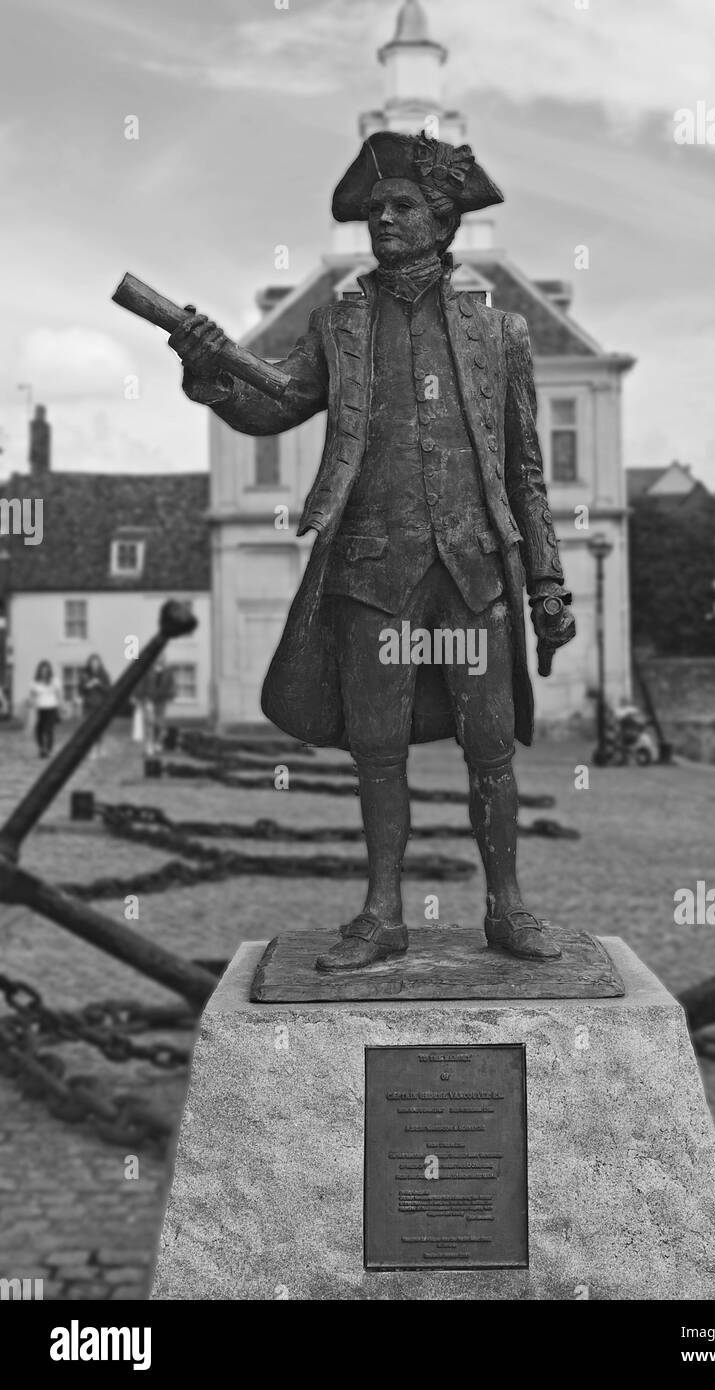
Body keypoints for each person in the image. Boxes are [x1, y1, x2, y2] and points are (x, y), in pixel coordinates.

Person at [168, 129, 576, 972]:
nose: (381, 221)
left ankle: (507, 908)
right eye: (374, 210)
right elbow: (273, 405)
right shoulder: (338, 324)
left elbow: (525, 471)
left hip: (473, 574)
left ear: (443, 218)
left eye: (401, 207)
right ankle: (381, 913)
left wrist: (547, 582)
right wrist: (206, 371)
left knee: (491, 747)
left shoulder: (501, 334)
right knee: (377, 751)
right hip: (370, 570)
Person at [137, 658, 176, 755]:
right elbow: (142, 684)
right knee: (150, 723)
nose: (159, 659)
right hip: (149, 700)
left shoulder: (168, 672)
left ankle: (158, 742)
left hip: (161, 701)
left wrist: (171, 695)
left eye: (161, 658)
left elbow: (172, 686)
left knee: (160, 724)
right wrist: (140, 697)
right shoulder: (147, 671)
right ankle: (149, 745)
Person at [78, 654, 112, 758]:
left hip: (101, 706)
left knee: (99, 729)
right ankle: (92, 750)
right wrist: (87, 686)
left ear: (99, 663)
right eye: (92, 662)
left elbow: (109, 690)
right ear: (89, 663)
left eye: (96, 662)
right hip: (88, 706)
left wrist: (99, 684)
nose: (94, 664)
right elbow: (80, 690)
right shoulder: (84, 674)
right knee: (89, 729)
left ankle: (100, 749)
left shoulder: (104, 675)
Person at [29, 659, 63, 758]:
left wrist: (61, 706)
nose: (44, 671)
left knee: (49, 729)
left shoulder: (54, 680)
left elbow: (58, 694)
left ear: (49, 670)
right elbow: (32, 695)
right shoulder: (35, 681)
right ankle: (41, 748)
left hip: (51, 708)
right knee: (39, 729)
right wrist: (30, 703)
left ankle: (48, 749)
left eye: (46, 670)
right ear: (39, 670)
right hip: (40, 708)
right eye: (42, 670)